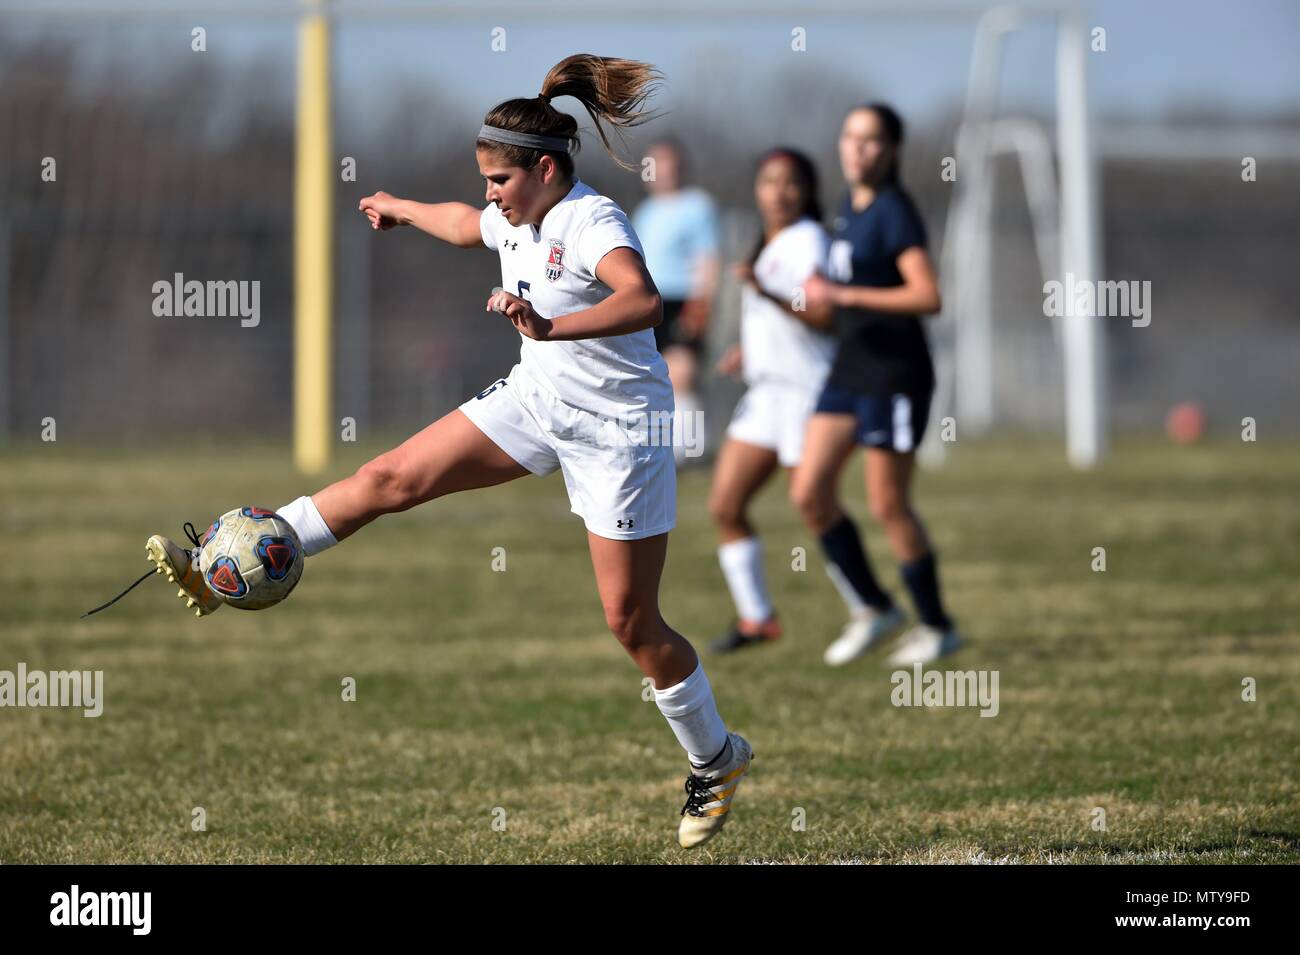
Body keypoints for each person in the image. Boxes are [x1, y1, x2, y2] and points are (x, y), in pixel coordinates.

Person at [144, 54, 751, 850]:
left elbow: (639, 300)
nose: (489, 193)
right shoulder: (510, 213)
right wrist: (398, 206)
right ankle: (229, 563)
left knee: (631, 620)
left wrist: (547, 326)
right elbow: (468, 226)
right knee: (388, 476)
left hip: (620, 430)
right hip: (538, 400)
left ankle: (717, 757)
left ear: (542, 168)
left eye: (498, 178)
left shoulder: (590, 221)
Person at [793, 102, 963, 666]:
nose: (856, 149)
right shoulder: (849, 207)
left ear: (891, 150)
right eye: (849, 137)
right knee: (809, 492)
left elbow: (927, 296)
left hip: (894, 372)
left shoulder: (894, 211)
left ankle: (937, 627)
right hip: (849, 368)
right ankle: (874, 607)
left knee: (888, 505)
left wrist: (844, 295)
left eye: (869, 141)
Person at [707, 148, 836, 653]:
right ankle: (757, 618)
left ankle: (870, 606)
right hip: (765, 396)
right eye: (768, 182)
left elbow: (822, 314)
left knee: (815, 508)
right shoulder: (770, 244)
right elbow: (780, 315)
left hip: (807, 393)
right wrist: (749, 349)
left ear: (806, 191)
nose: (779, 192)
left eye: (790, 182)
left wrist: (765, 290)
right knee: (725, 505)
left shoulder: (809, 240)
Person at [631, 139, 721, 464]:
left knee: (682, 371)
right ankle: (662, 447)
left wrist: (701, 304)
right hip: (649, 300)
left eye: (668, 162)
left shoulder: (697, 205)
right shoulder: (645, 212)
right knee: (654, 375)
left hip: (683, 297)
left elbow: (707, 259)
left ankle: (692, 450)